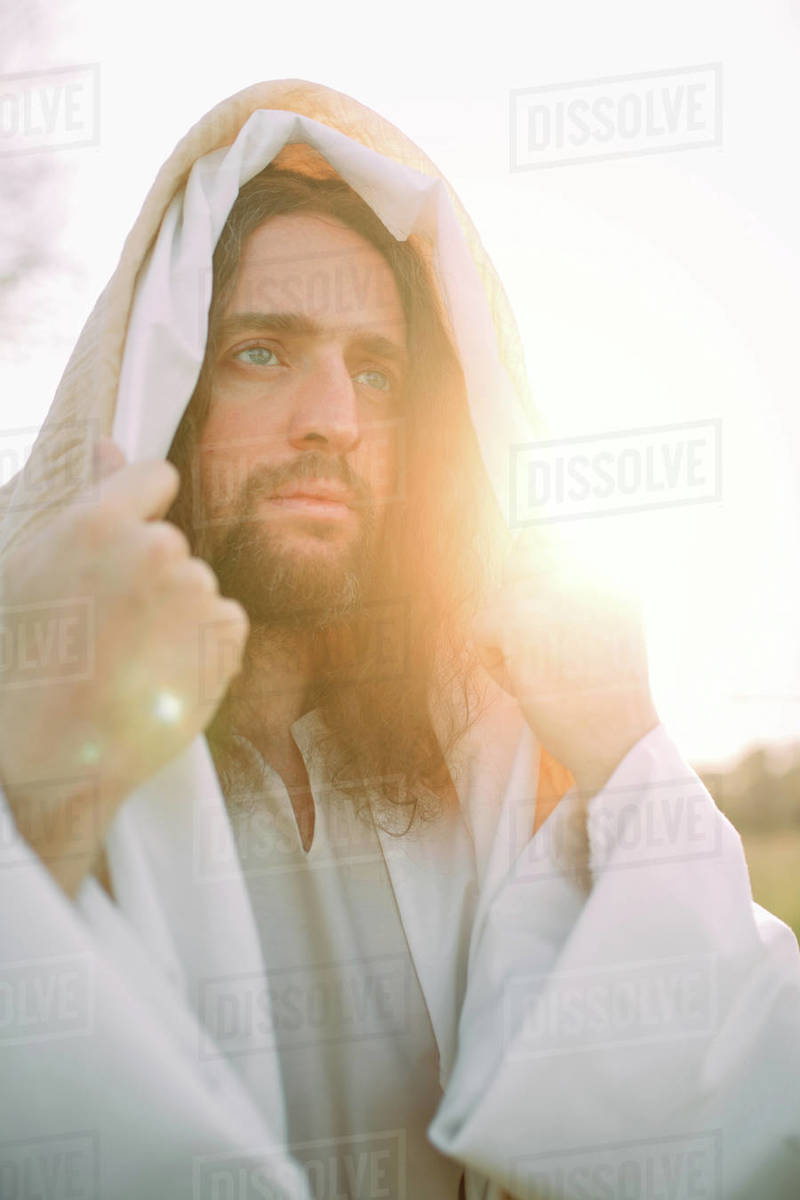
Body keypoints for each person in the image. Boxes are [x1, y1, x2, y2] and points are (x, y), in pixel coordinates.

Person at [0, 79, 798, 1200]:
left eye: (376, 370)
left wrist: (629, 751)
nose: (334, 416)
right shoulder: (36, 715)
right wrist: (36, 799)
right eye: (263, 353)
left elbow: (749, 1093)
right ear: (167, 391)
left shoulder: (490, 766)